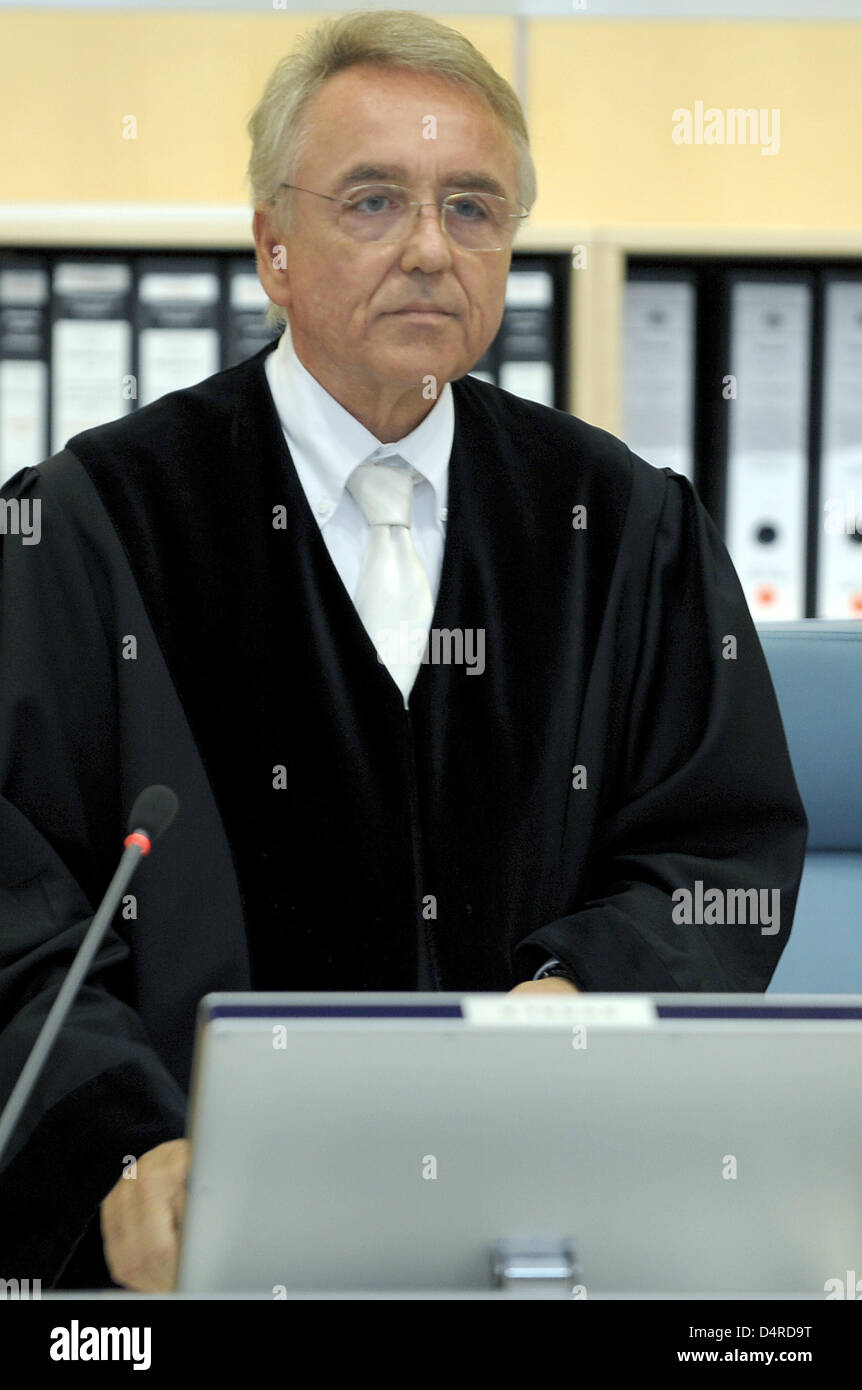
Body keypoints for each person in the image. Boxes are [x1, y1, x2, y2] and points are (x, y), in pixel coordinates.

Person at [0, 10, 807, 1294]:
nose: (432, 249)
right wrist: (119, 1149)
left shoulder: (620, 525)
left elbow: (718, 853)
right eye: (375, 201)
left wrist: (579, 993)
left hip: (541, 1224)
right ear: (272, 243)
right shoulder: (95, 522)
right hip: (197, 1254)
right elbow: (22, 900)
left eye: (473, 208)